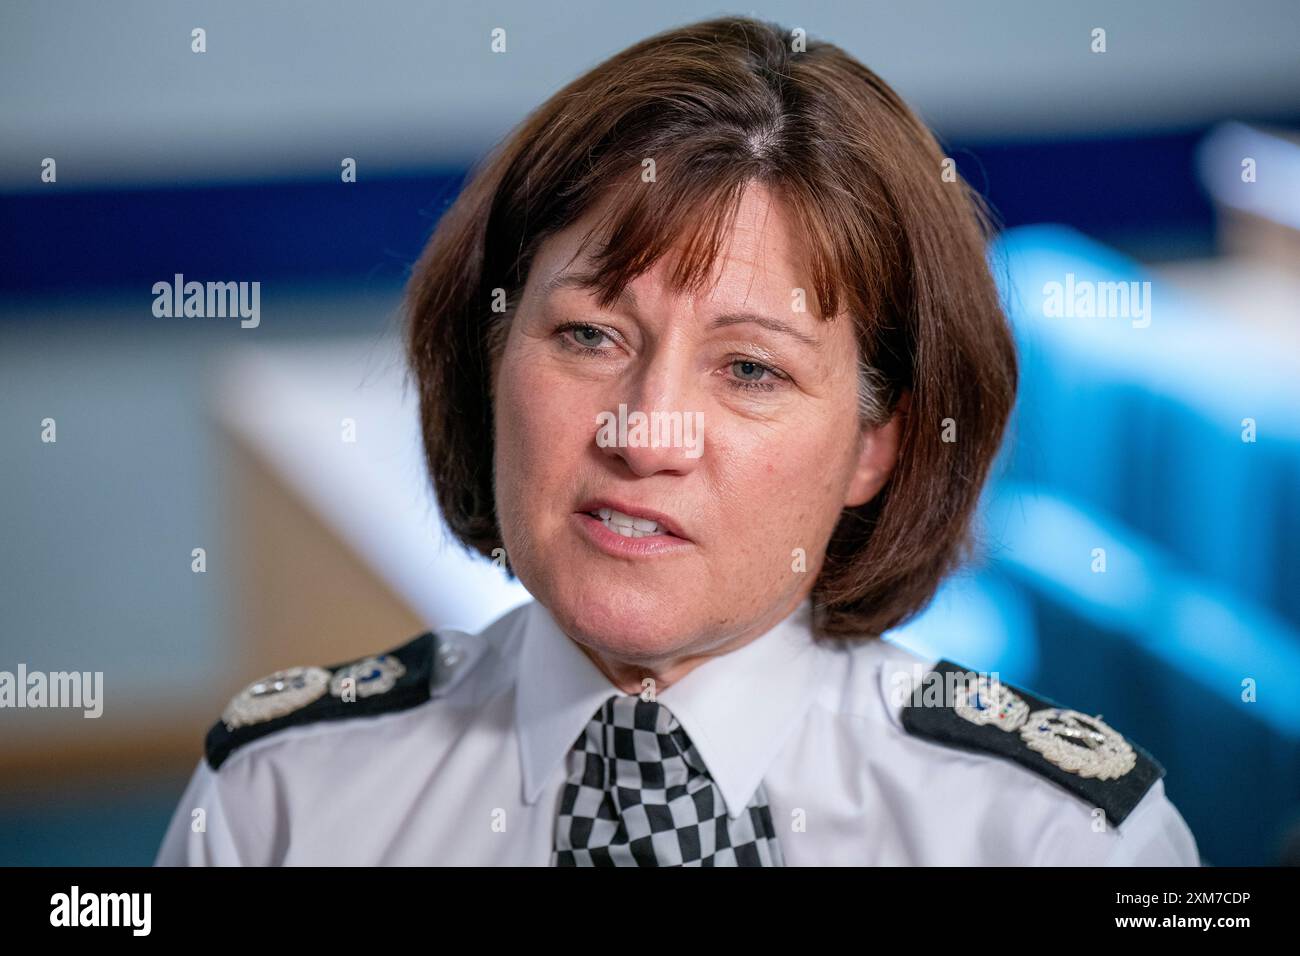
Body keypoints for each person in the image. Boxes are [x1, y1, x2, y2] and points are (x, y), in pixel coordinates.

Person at [155, 15, 1200, 866]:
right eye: (589, 335)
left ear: (876, 446)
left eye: (751, 368)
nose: (644, 431)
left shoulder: (1060, 839)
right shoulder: (277, 797)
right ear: (490, 357)